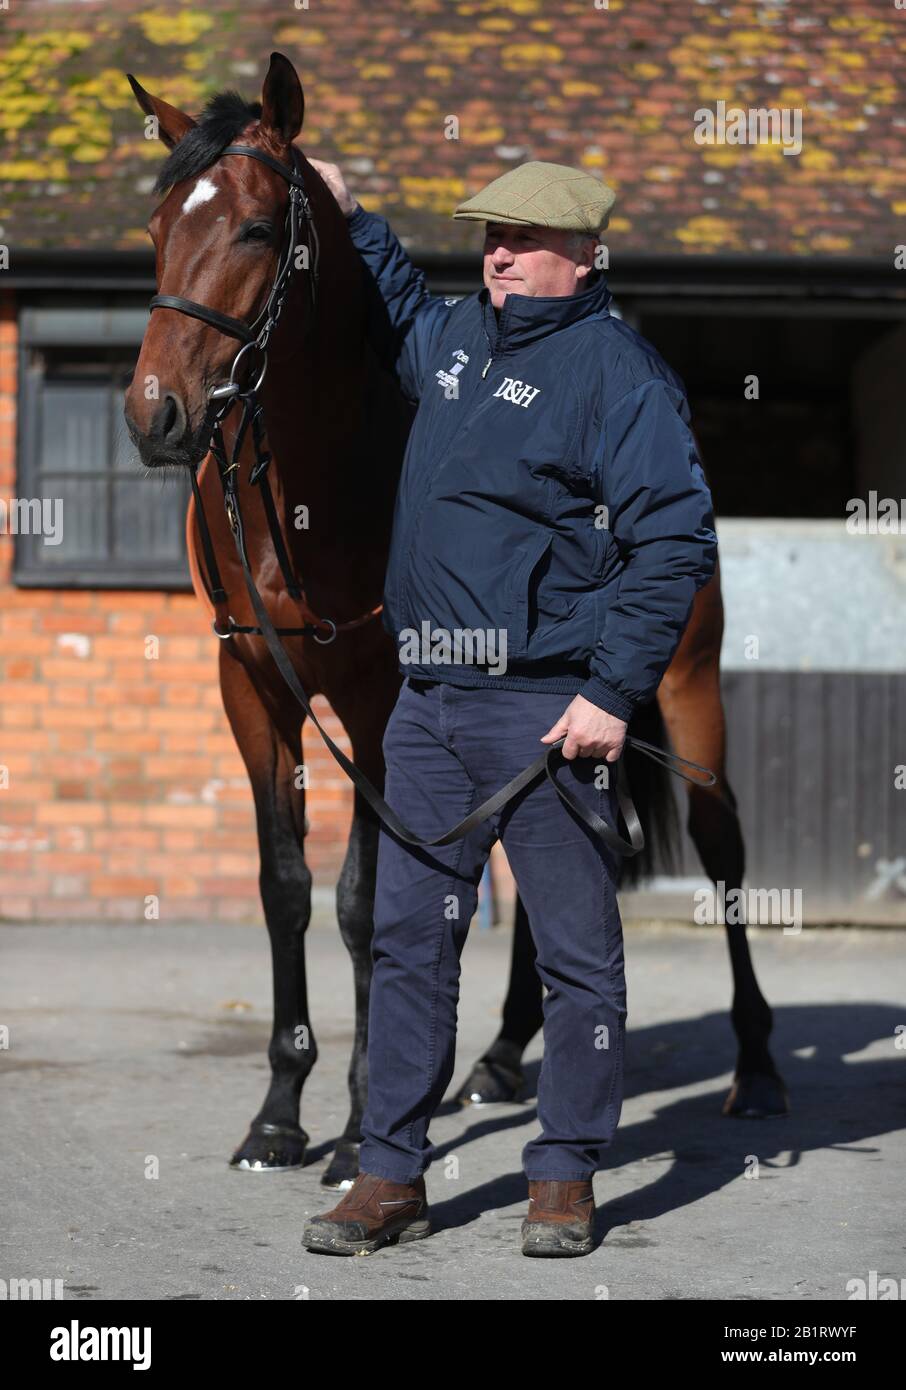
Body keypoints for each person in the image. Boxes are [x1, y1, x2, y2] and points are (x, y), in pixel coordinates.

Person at [302, 160, 717, 1257]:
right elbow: (392, 294)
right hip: (427, 701)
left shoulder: (617, 373)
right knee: (405, 940)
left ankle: (565, 1174)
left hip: (544, 709)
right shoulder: (453, 341)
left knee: (576, 951)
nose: (497, 252)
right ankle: (390, 1171)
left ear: (584, 252)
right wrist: (352, 211)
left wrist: (611, 691)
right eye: (490, 234)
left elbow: (672, 539)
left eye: (524, 237)